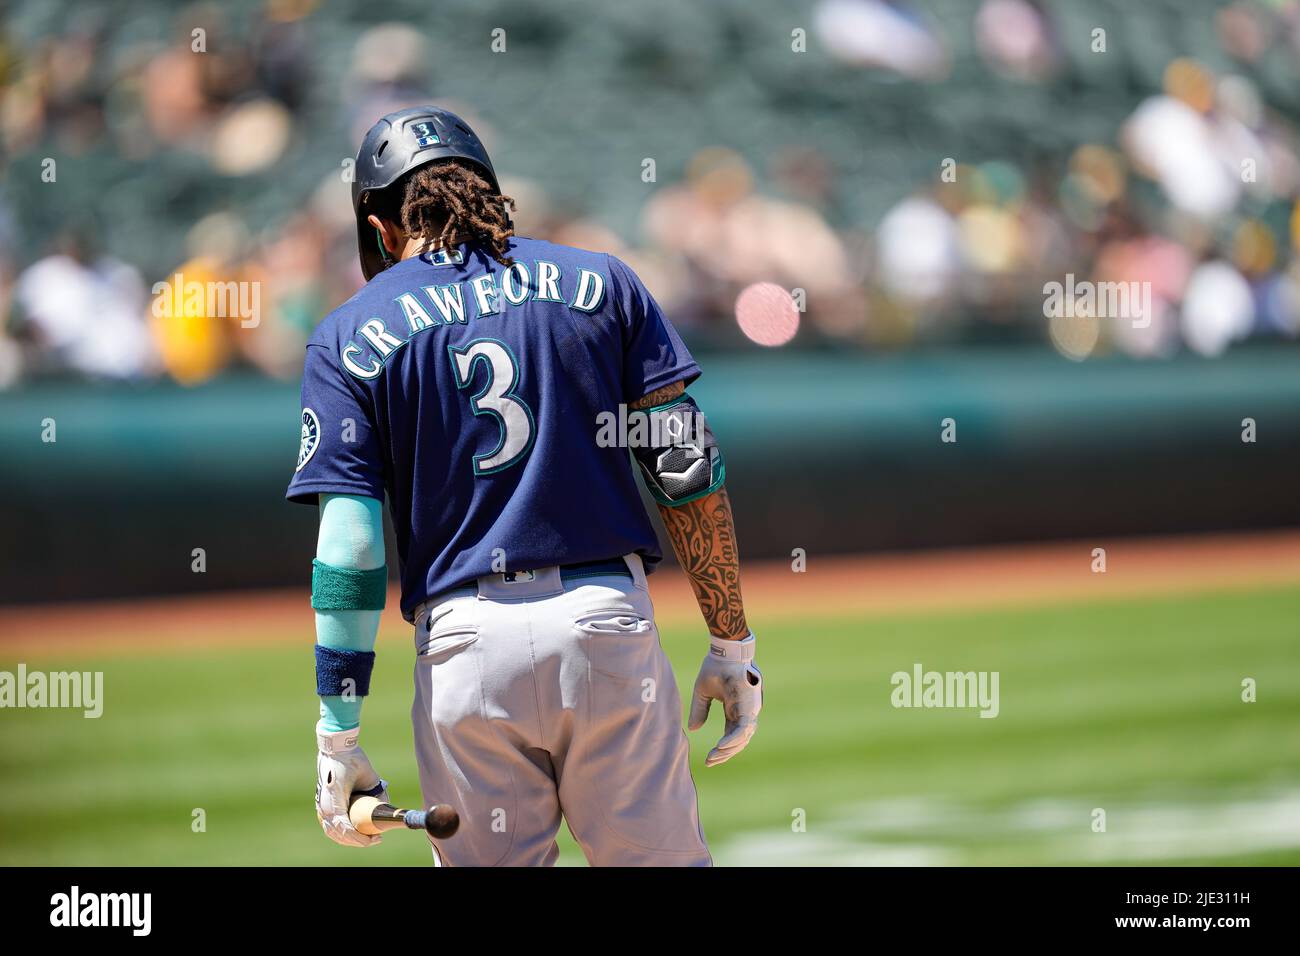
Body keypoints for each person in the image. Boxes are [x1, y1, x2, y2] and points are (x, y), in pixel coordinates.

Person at [286, 106, 762, 866]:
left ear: (378, 229)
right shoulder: (601, 279)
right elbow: (685, 468)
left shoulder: (348, 333)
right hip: (606, 622)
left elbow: (349, 544)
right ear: (491, 195)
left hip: (465, 647)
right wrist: (730, 642)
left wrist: (337, 729)